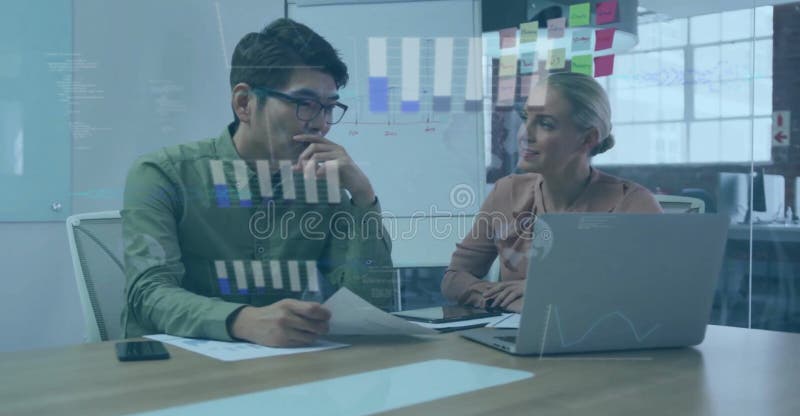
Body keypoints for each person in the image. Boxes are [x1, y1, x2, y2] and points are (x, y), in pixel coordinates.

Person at [122, 19, 393, 347]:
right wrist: (242, 320)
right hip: (176, 365)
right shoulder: (162, 174)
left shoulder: (322, 185)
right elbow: (148, 293)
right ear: (244, 103)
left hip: (281, 366)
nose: (321, 124)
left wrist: (363, 197)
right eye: (305, 104)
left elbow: (371, 307)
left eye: (329, 108)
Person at [442, 72, 662, 313]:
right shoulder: (507, 192)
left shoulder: (632, 204)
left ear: (587, 139)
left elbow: (650, 293)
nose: (525, 134)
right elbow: (455, 277)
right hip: (515, 331)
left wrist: (544, 291)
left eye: (545, 124)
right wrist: (499, 299)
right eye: (526, 118)